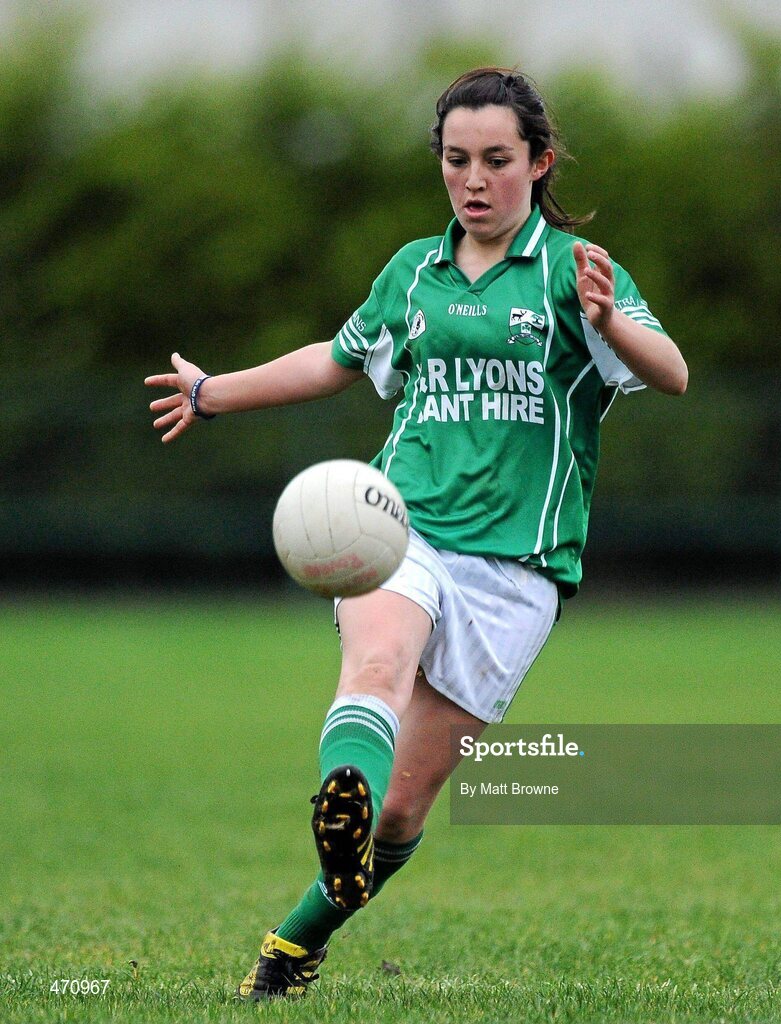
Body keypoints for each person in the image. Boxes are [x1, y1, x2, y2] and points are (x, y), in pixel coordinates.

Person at [145, 66, 687, 1000]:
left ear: (538, 162)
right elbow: (336, 357)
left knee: (403, 810)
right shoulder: (412, 272)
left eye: (496, 160)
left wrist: (610, 322)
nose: (474, 180)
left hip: (518, 571)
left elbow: (672, 371)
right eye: (455, 160)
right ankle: (336, 804)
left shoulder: (575, 272)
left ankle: (297, 939)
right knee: (377, 668)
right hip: (400, 530)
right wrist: (211, 392)